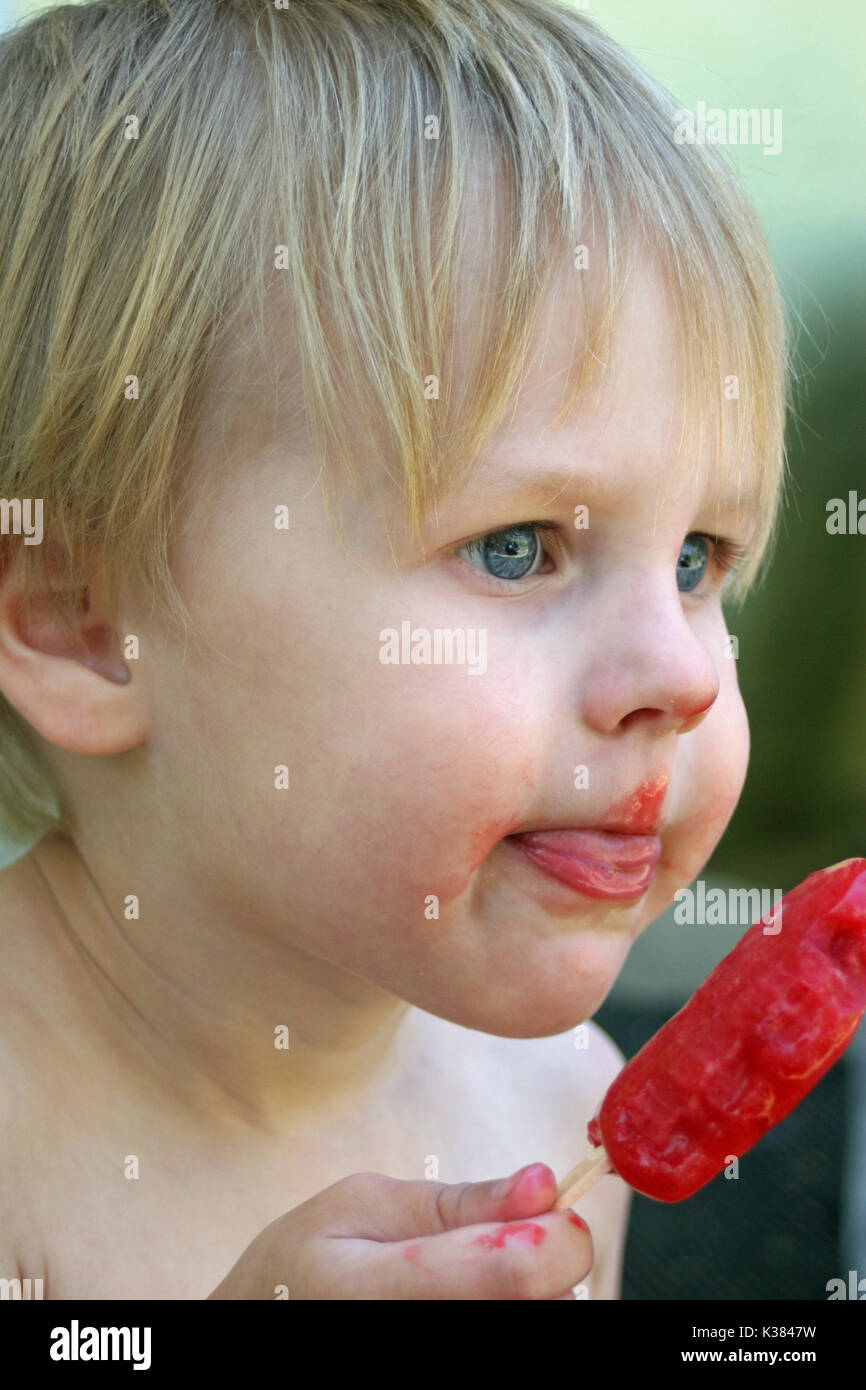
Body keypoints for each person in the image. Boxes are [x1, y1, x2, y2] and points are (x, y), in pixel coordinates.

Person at [0, 0, 789, 1299]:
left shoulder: (562, 1105)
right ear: (89, 629)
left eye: (699, 560)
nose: (683, 675)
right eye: (517, 546)